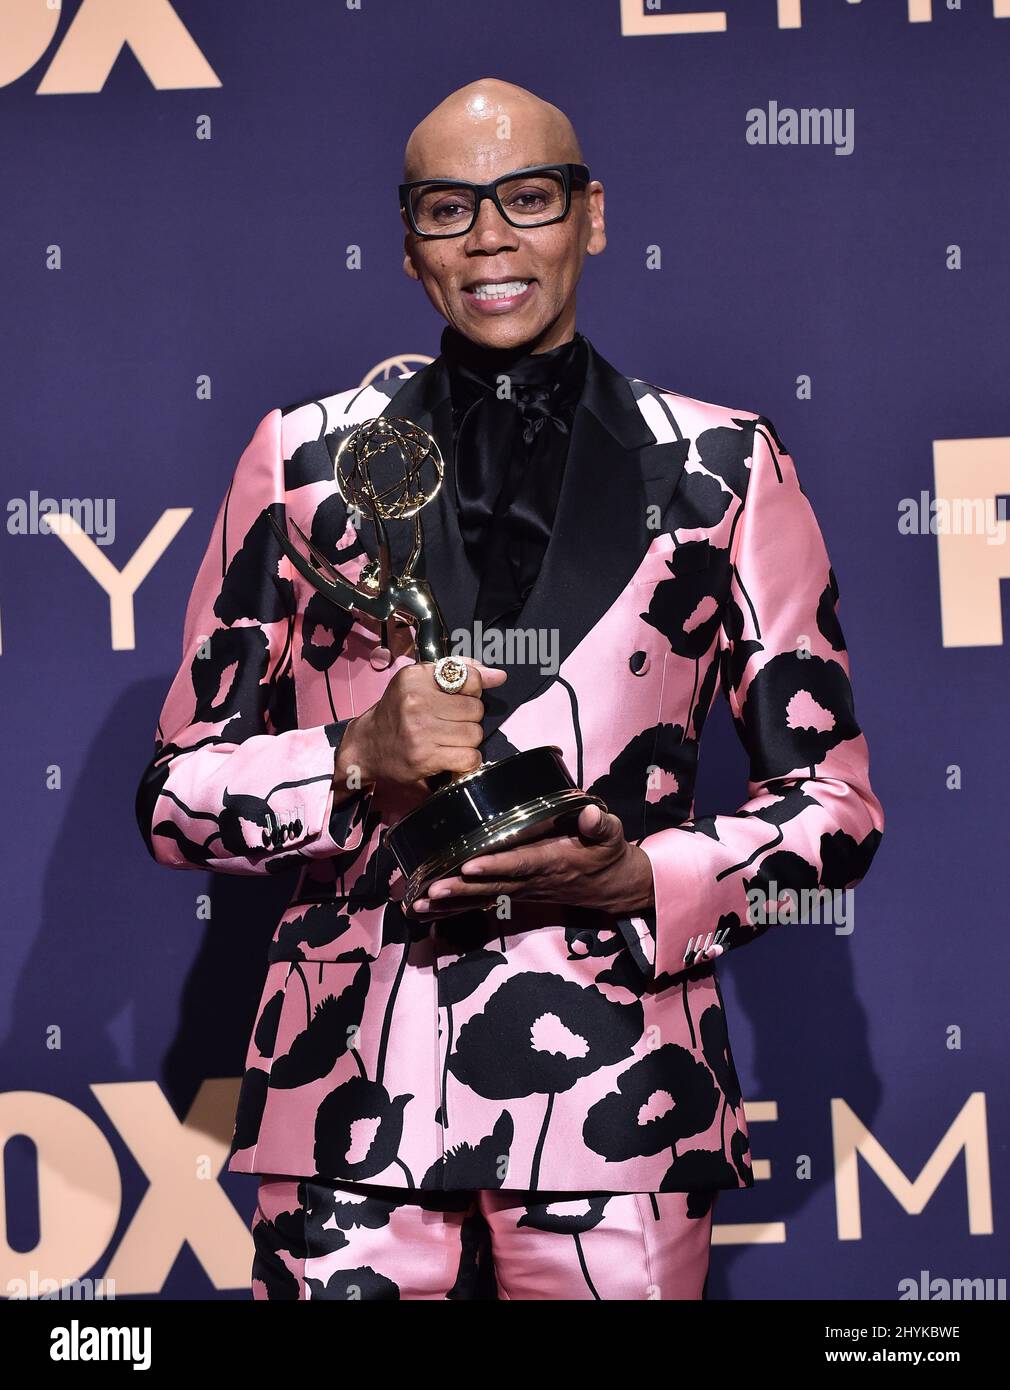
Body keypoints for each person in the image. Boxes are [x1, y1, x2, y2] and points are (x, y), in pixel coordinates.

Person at [135, 77, 884, 1301]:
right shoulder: (305, 459)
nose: (490, 238)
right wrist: (346, 758)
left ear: (588, 214)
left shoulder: (725, 468)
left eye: (525, 198)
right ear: (406, 241)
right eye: (448, 208)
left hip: (617, 1088)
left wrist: (644, 874)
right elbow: (172, 795)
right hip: (348, 1094)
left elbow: (832, 806)